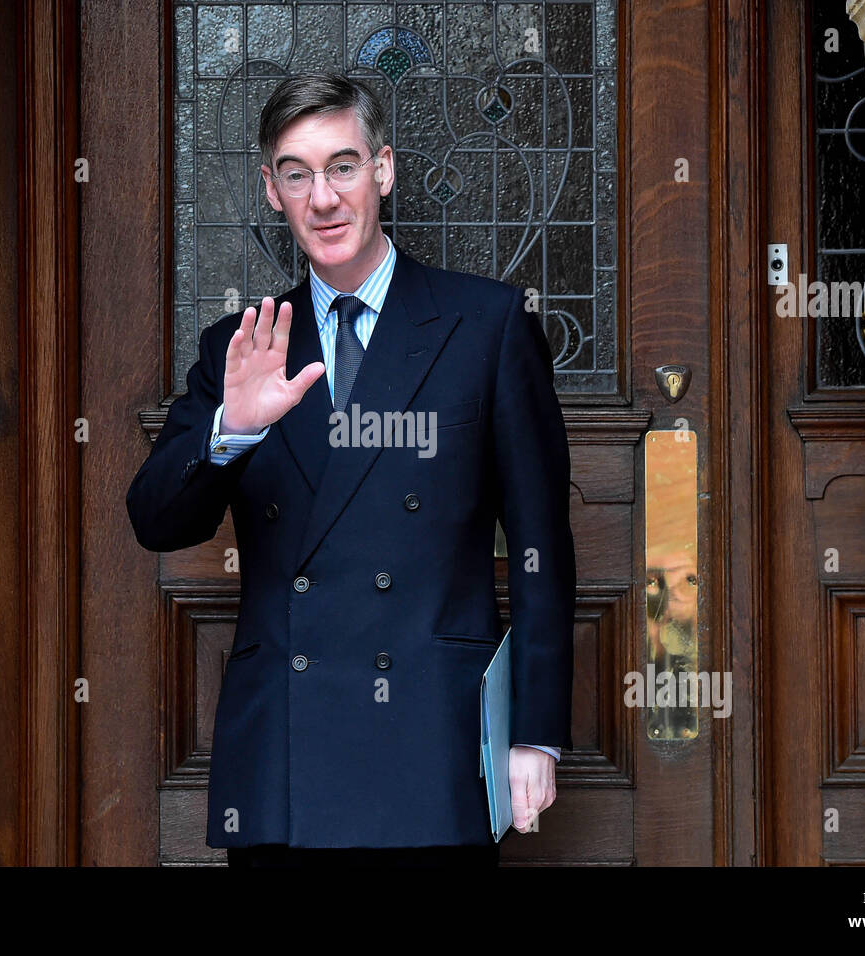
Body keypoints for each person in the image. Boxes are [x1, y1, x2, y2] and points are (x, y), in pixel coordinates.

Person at [126, 70, 575, 868]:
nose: (323, 197)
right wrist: (231, 429)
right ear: (272, 189)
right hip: (285, 763)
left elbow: (543, 545)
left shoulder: (485, 325)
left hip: (433, 749)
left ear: (383, 171)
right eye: (296, 174)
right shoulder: (244, 346)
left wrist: (534, 732)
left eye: (342, 166)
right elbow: (156, 519)